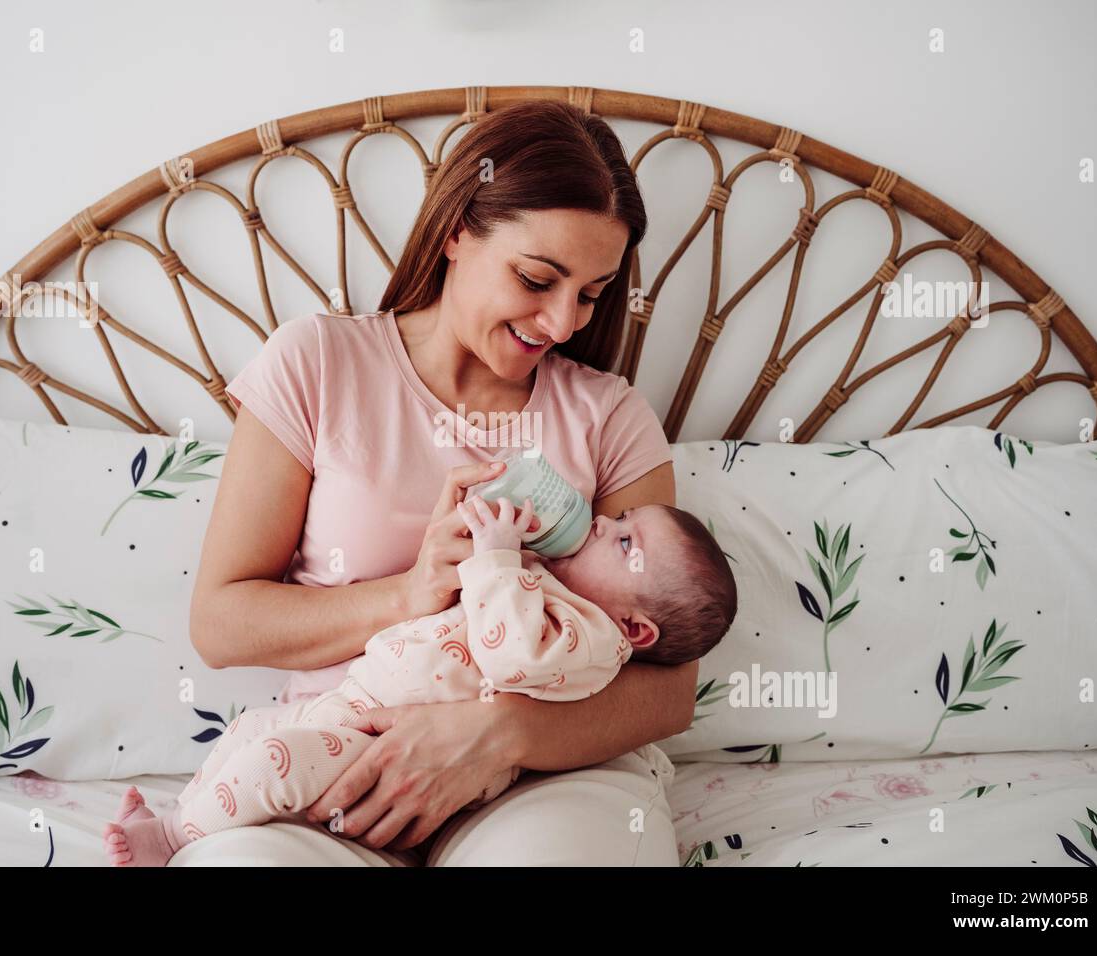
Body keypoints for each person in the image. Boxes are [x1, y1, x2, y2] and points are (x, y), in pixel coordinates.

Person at [182, 99, 706, 866]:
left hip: (546, 774)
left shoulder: (608, 415)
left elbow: (670, 688)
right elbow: (221, 625)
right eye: (537, 278)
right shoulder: (317, 365)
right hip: (338, 753)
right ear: (458, 230)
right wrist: (411, 592)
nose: (562, 322)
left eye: (591, 294)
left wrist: (497, 736)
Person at [104, 496, 736, 866]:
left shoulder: (590, 639)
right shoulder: (550, 586)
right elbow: (220, 628)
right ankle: (187, 812)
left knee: (272, 762)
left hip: (384, 744)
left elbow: (514, 653)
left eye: (626, 542)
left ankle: (171, 839)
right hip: (349, 708)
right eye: (619, 517)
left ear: (638, 629)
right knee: (249, 732)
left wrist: (498, 555)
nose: (601, 524)